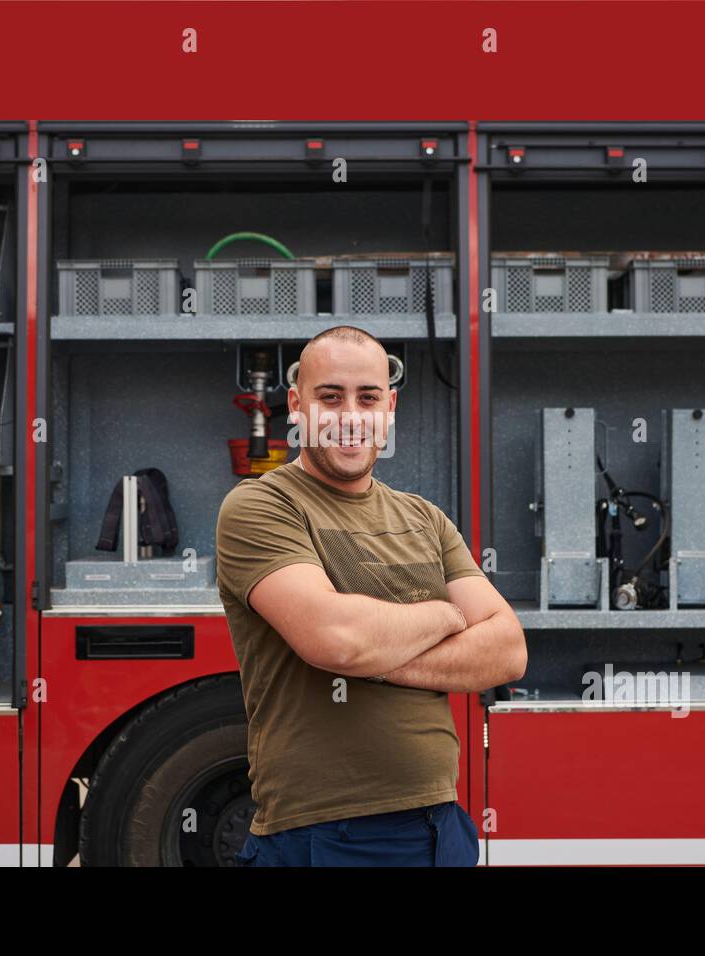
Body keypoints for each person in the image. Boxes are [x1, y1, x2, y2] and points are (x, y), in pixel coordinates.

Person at [215, 325, 527, 866]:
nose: (351, 416)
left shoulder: (424, 518)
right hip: (324, 833)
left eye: (369, 397)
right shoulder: (261, 506)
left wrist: (375, 650)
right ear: (296, 404)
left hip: (441, 826)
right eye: (330, 397)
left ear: (390, 408)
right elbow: (336, 640)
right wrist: (448, 614)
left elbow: (507, 651)